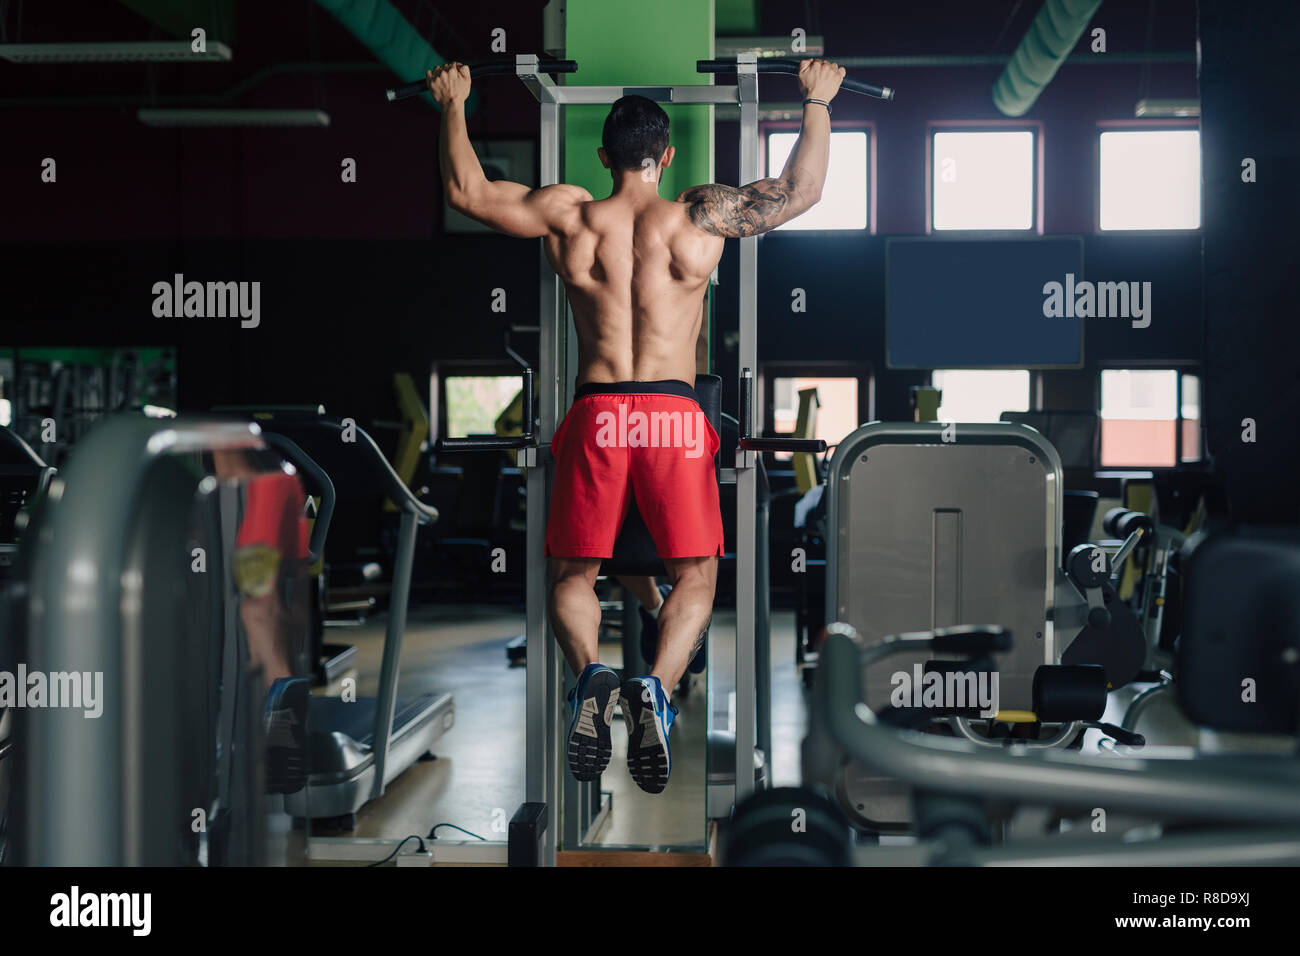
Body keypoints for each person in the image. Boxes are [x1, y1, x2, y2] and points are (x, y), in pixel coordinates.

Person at [429, 57, 844, 793]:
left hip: (596, 414)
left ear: (602, 157)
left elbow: (466, 191)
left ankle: (592, 674)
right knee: (696, 573)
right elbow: (800, 191)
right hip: (675, 417)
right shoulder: (699, 215)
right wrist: (816, 101)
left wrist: (454, 104)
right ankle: (653, 686)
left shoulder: (570, 214)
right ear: (667, 156)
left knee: (573, 573)